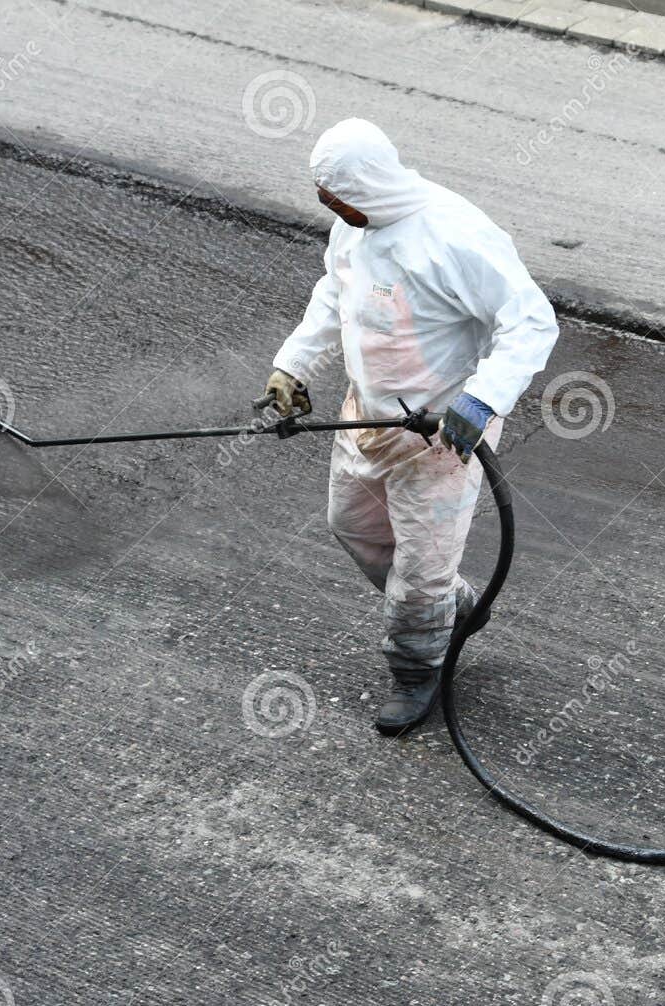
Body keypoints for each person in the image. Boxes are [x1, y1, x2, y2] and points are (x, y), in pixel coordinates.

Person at [265, 118, 558, 736]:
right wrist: (292, 364)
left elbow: (530, 321)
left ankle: (416, 667)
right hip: (366, 416)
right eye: (324, 197)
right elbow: (333, 293)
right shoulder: (353, 226)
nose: (328, 206)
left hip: (441, 434)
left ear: (367, 184)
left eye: (333, 196)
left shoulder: (457, 236)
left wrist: (481, 401)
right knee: (351, 526)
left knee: (421, 570)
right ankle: (448, 609)